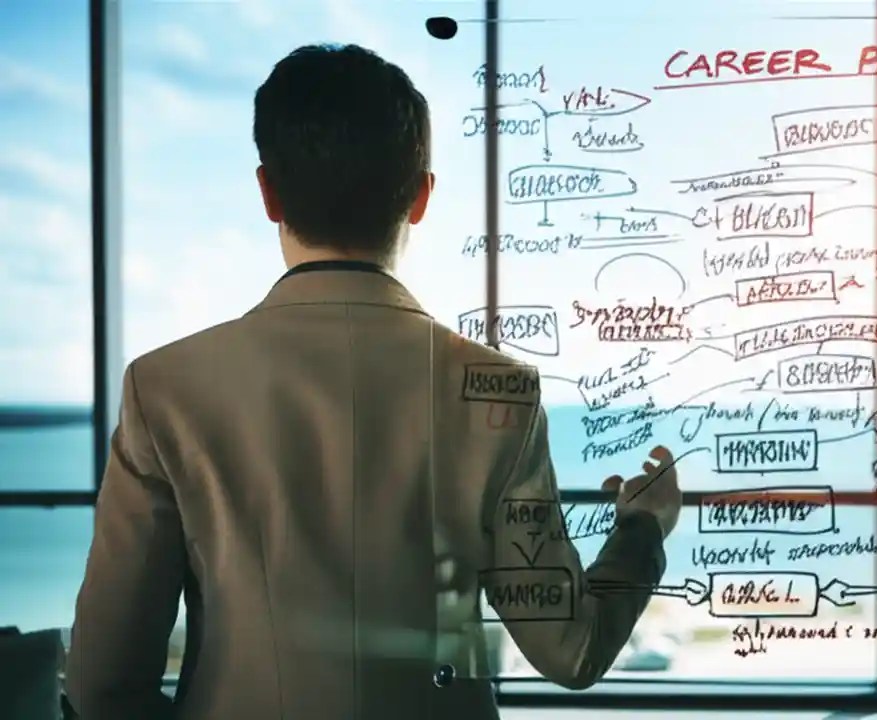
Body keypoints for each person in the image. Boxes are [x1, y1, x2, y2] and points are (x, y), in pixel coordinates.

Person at [64, 43, 681, 720]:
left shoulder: (166, 388)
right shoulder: (501, 389)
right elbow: (570, 647)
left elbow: (102, 684)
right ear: (420, 196)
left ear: (268, 192)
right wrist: (642, 529)